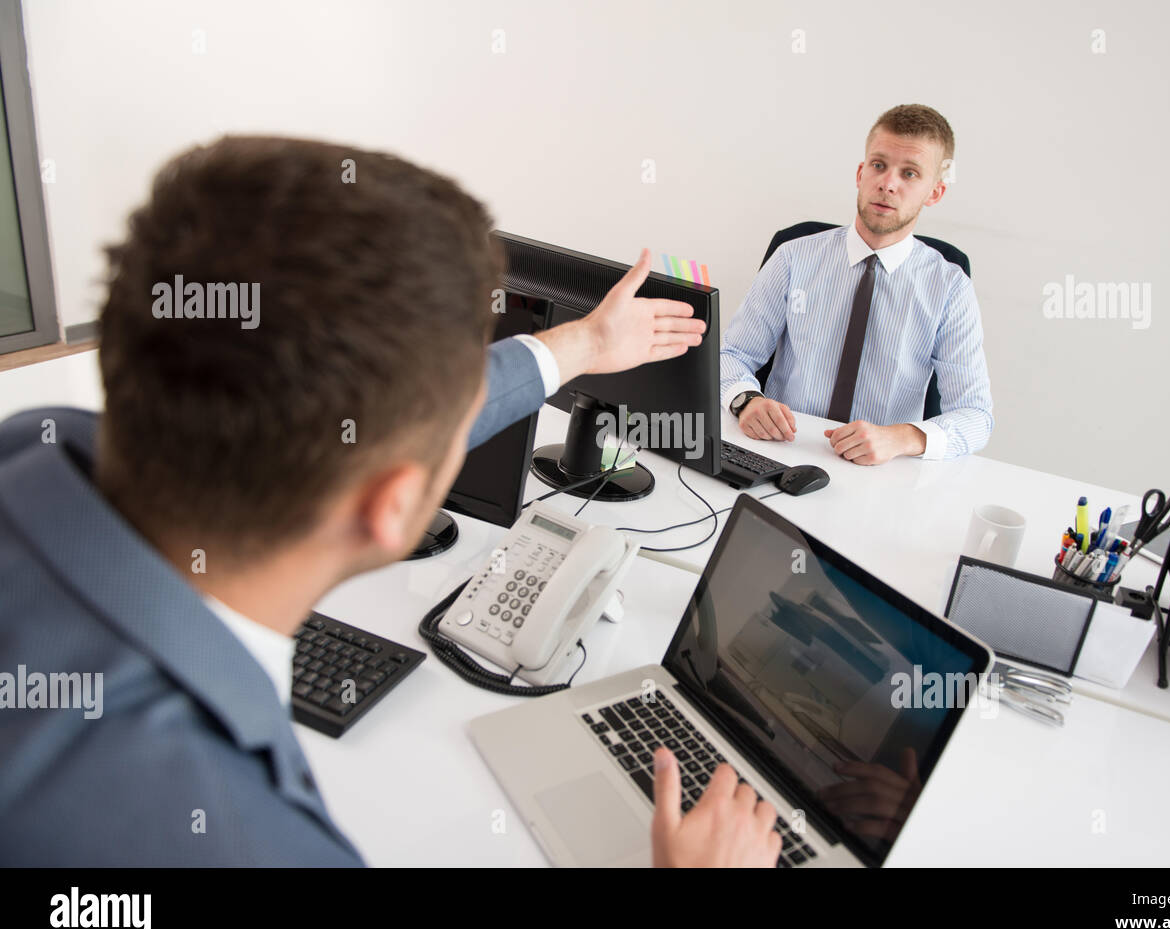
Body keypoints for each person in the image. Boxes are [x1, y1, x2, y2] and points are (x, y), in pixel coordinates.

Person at [0, 135, 779, 867]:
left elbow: (375, 431)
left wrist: (578, 346)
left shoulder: (30, 447)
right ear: (392, 502)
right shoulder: (239, 840)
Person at [719, 104, 994, 464]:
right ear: (861, 173)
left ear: (934, 193)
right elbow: (732, 355)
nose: (888, 183)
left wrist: (902, 438)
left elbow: (977, 416)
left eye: (910, 173)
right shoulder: (793, 257)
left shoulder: (949, 287)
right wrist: (745, 400)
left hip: (882, 470)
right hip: (781, 450)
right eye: (879, 166)